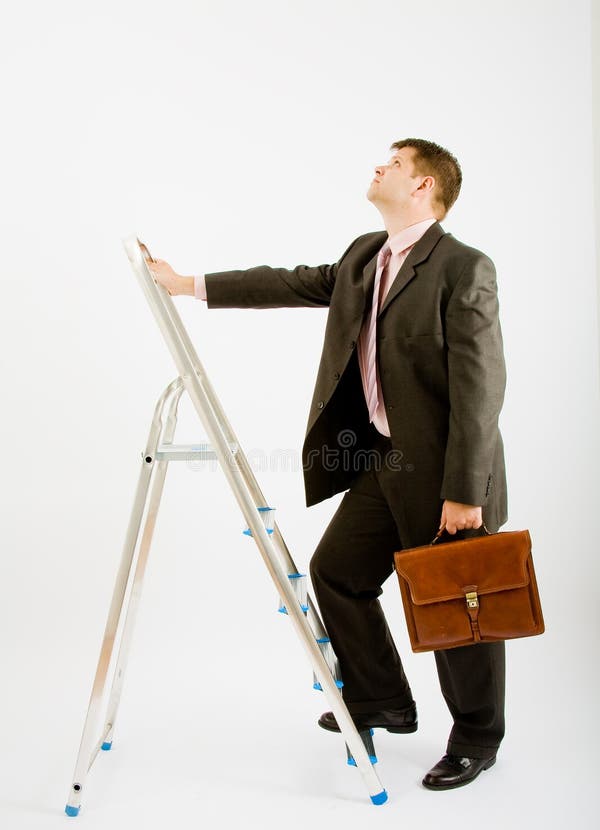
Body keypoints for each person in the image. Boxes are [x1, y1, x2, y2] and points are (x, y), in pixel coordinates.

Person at [148, 138, 508, 791]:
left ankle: (478, 738)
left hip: (445, 474)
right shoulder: (364, 256)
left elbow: (482, 388)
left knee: (458, 609)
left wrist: (464, 489)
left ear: (424, 186)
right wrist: (185, 285)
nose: (378, 168)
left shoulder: (464, 267)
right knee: (337, 573)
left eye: (393, 164)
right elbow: (290, 281)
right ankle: (383, 700)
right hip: (382, 463)